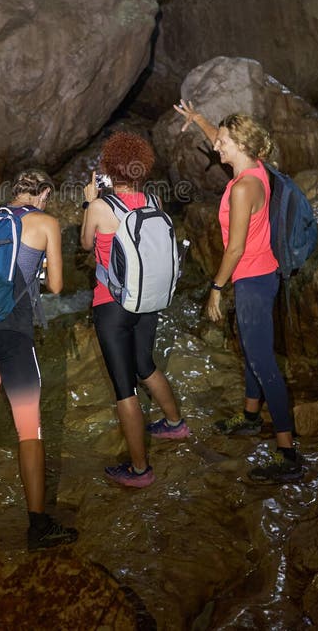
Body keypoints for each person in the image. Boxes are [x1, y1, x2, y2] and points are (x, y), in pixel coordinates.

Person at [174, 100, 304, 482]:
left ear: (242, 146)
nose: (217, 147)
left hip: (252, 279)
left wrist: (216, 287)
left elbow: (235, 248)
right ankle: (250, 417)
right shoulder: (258, 168)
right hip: (264, 274)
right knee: (251, 348)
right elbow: (221, 139)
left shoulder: (243, 188)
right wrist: (199, 120)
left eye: (224, 142)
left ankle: (287, 455)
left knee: (264, 363)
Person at [0, 169, 78, 550]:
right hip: (12, 332)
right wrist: (40, 267)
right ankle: (38, 525)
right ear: (42, 193)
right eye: (47, 196)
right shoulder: (45, 222)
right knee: (30, 427)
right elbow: (58, 287)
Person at [80, 131, 190, 489]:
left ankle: (140, 470)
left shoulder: (100, 207)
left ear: (110, 169)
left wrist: (89, 203)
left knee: (124, 387)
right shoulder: (154, 200)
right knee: (145, 363)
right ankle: (175, 425)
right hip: (148, 298)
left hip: (112, 304)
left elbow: (86, 244)